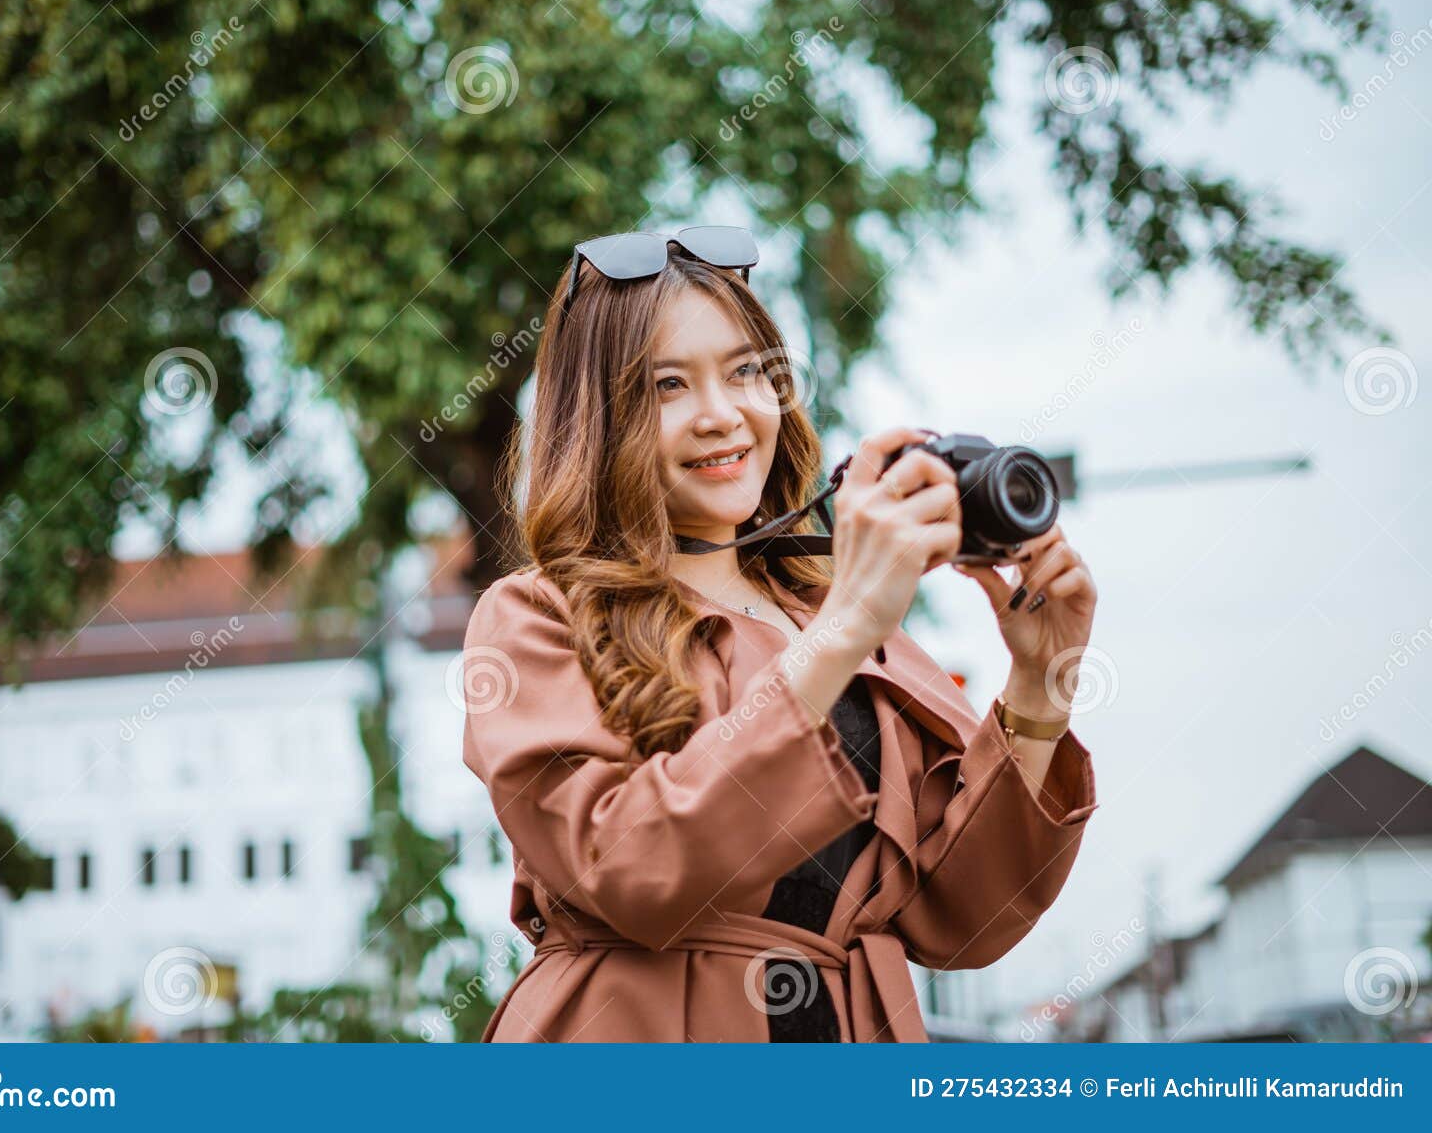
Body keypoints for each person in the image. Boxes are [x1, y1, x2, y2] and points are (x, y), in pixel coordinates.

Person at [460, 227, 1100, 1042]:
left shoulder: (827, 616)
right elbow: (628, 870)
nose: (722, 415)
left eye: (745, 372)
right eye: (667, 386)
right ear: (598, 419)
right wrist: (843, 631)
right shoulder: (536, 615)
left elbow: (962, 920)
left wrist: (1038, 688)